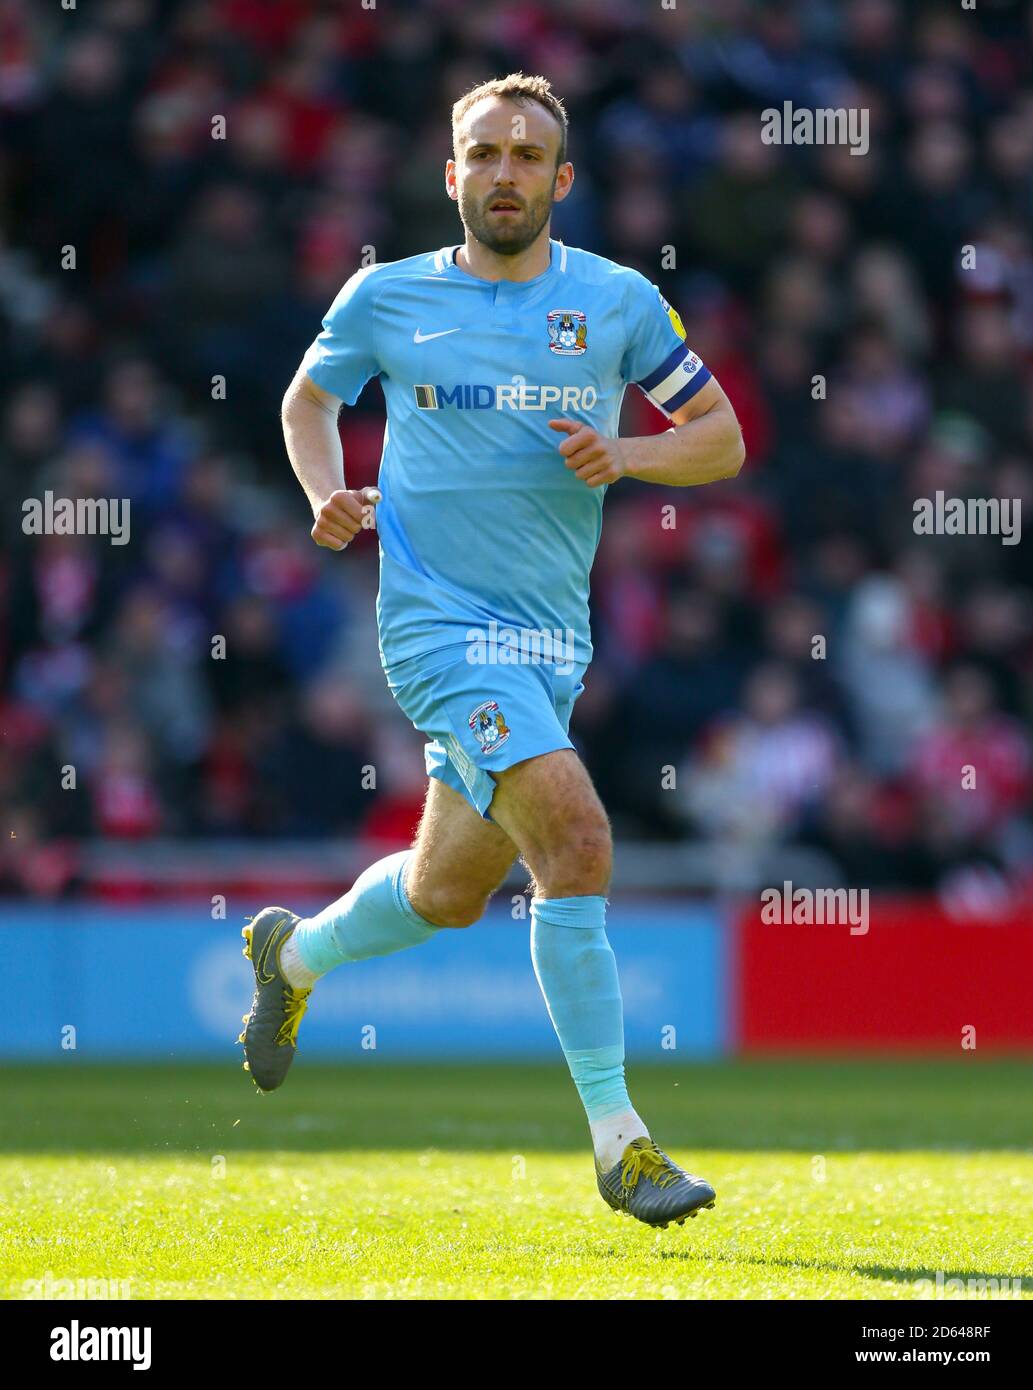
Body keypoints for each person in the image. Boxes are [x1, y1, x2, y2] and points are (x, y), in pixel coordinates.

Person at [240, 74, 744, 1229]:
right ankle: (621, 1144)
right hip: (435, 630)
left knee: (446, 891)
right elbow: (306, 405)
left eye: (525, 155)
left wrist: (627, 454)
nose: (503, 172)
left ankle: (292, 959)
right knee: (576, 837)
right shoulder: (385, 295)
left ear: (561, 179)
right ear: (450, 173)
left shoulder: (616, 302)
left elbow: (717, 439)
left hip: (551, 644)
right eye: (484, 153)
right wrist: (323, 494)